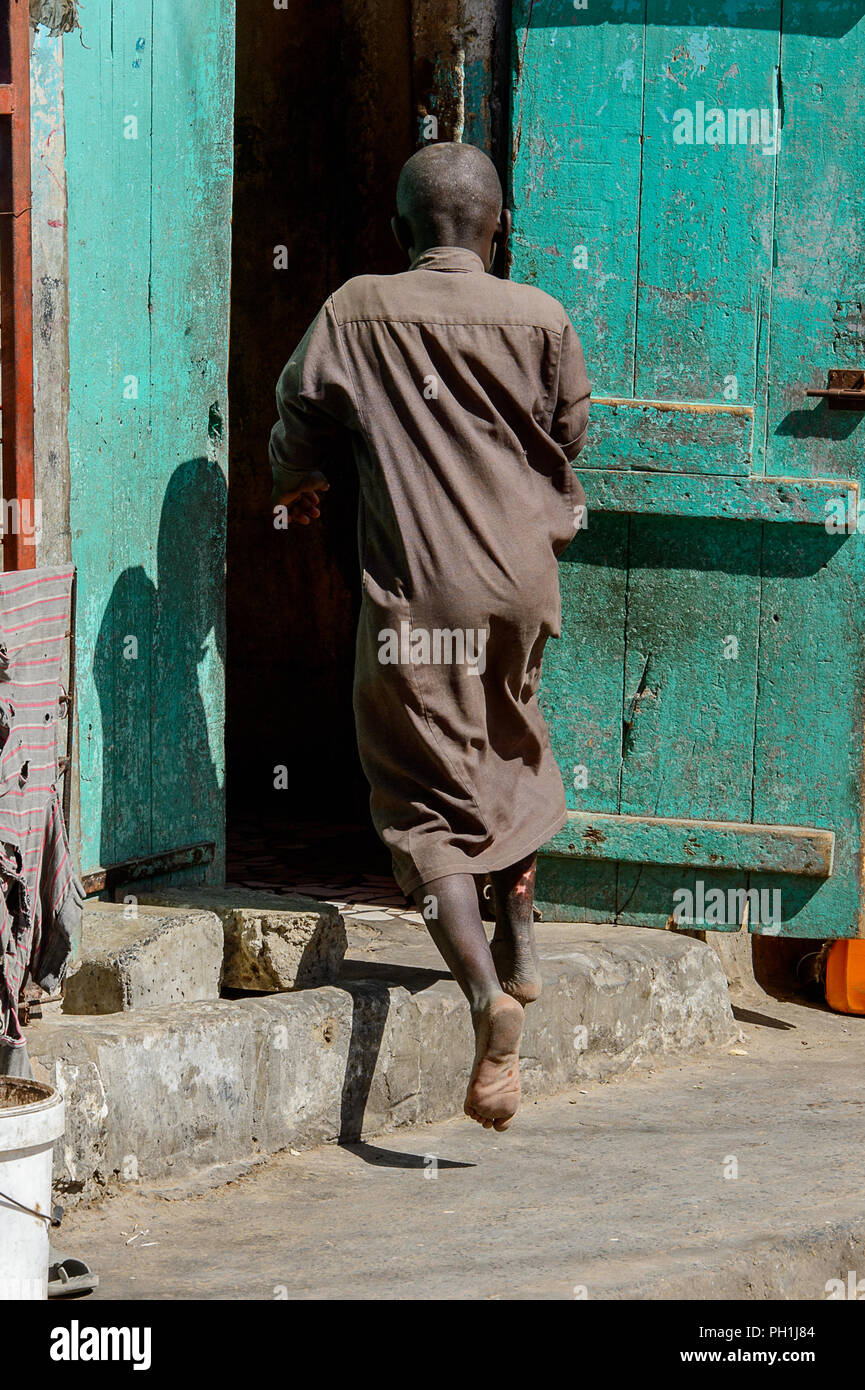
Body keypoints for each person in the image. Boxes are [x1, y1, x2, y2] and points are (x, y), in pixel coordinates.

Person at [270, 142, 590, 1131]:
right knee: (507, 741)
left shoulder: (358, 307)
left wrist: (297, 479)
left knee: (419, 799)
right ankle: (524, 937)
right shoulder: (541, 315)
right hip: (522, 586)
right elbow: (570, 432)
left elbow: (301, 415)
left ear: (403, 229)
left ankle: (486, 996)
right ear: (495, 228)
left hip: (423, 603)